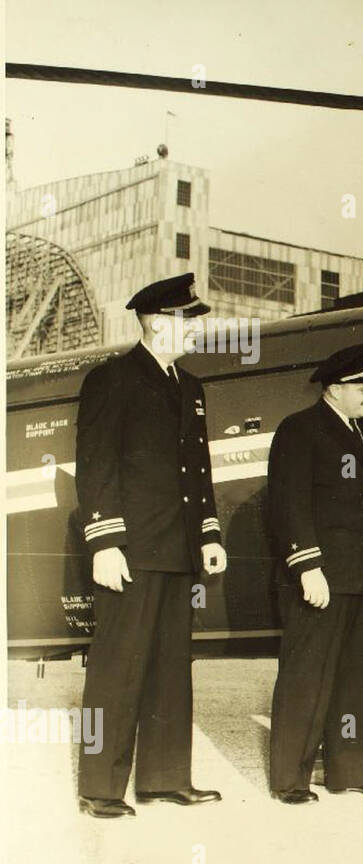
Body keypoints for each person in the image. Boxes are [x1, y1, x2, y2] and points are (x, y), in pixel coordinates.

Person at [75, 272, 226, 818]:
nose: (195, 332)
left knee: (169, 668)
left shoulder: (191, 387)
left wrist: (208, 532)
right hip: (131, 551)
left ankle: (164, 779)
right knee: (116, 668)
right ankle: (99, 787)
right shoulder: (111, 379)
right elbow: (96, 466)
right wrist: (104, 542)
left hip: (178, 549)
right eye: (189, 321)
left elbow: (198, 472)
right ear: (158, 323)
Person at [267, 343, 363, 803]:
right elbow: (290, 504)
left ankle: (352, 770)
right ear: (337, 387)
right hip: (321, 578)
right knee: (307, 678)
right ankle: (290, 779)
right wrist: (307, 566)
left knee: (357, 678)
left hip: (362, 577)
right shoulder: (299, 430)